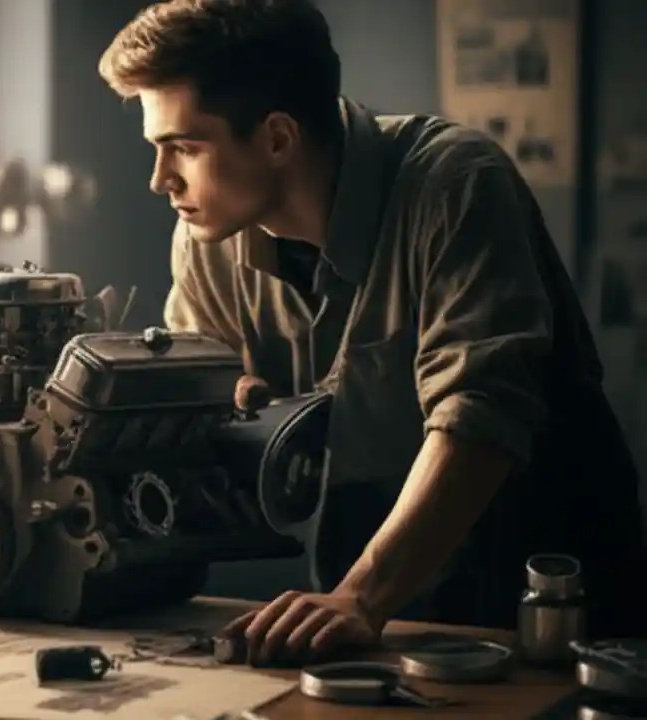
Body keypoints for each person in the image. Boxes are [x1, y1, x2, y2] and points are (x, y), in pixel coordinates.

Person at [98, 0, 647, 666]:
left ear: (276, 138)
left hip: (552, 614)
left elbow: (480, 419)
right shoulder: (205, 236)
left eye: (184, 147)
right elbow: (201, 392)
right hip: (379, 617)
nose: (159, 180)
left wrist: (361, 596)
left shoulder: (457, 186)